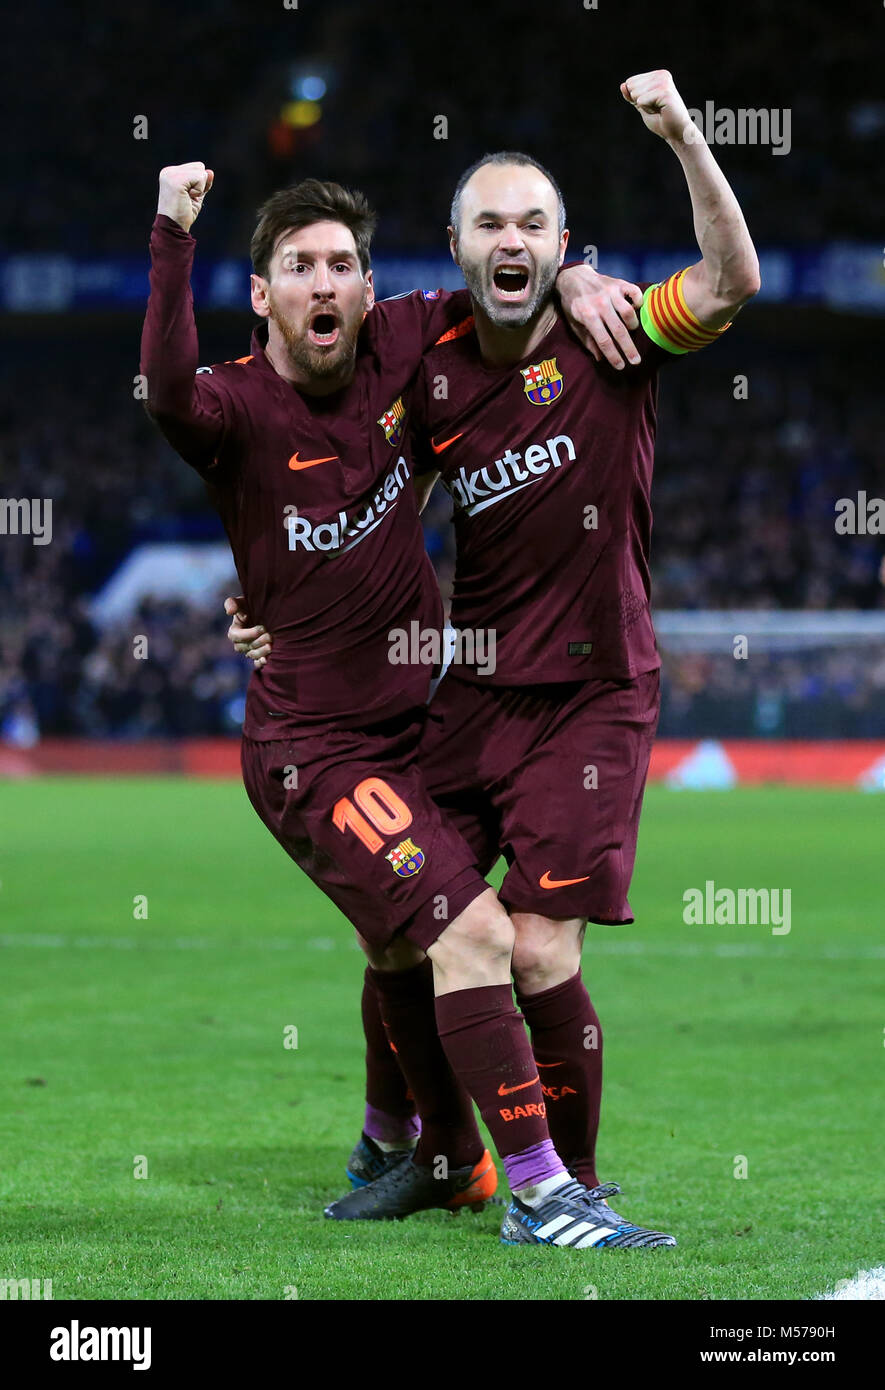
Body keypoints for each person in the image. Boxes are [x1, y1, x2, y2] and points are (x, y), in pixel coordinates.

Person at [230, 70, 759, 1247]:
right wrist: (268, 598)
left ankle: (561, 1183)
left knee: (526, 945)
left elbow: (732, 283)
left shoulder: (613, 331)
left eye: (535, 224)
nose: (512, 239)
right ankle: (423, 1150)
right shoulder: (428, 367)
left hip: (594, 695)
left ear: (564, 242)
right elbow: (340, 479)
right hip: (467, 687)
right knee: (412, 924)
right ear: (458, 247)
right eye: (491, 223)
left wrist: (684, 137)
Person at [142, 160, 673, 1249]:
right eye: (297, 267)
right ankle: (536, 1190)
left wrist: (579, 279)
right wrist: (170, 236)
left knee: (402, 949)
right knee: (474, 933)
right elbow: (163, 386)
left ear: (371, 286)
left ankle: (403, 1146)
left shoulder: (403, 342)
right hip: (309, 750)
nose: (322, 282)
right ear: (263, 295)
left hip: (414, 723)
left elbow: (507, 280)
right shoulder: (236, 404)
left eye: (341, 264)